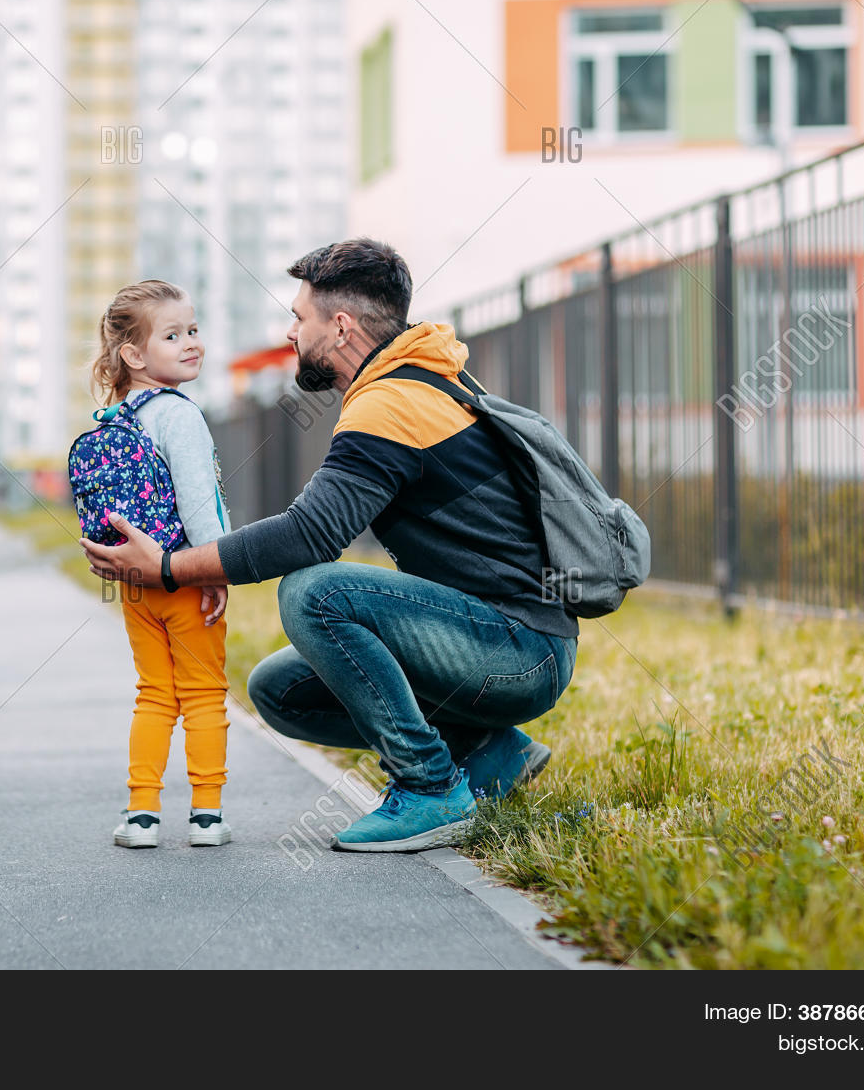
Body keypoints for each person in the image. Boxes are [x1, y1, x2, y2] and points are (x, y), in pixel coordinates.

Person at [82, 239, 578, 853]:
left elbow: (308, 534)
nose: (291, 334)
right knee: (278, 689)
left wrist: (170, 568)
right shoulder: (409, 382)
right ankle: (488, 749)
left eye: (299, 317)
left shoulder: (392, 402)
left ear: (339, 326)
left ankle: (430, 787)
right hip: (496, 636)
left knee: (315, 591)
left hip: (518, 650)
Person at [86, 280, 234, 850]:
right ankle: (206, 816)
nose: (191, 343)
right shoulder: (178, 415)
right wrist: (214, 569)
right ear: (135, 354)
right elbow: (198, 503)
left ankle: (143, 816)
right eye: (173, 335)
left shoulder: (115, 418)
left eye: (193, 330)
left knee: (153, 694)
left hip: (134, 582)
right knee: (201, 694)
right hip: (182, 577)